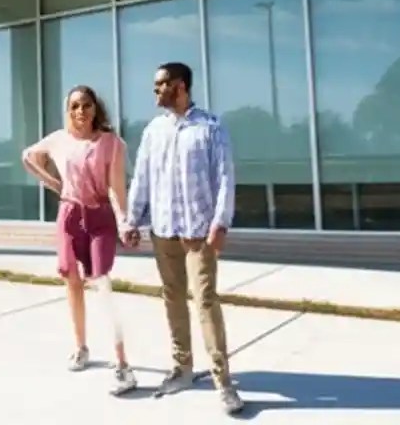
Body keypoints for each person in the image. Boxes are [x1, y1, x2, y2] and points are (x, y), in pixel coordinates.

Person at [121, 62, 245, 414]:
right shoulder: (153, 131)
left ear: (180, 86)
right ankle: (183, 368)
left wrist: (221, 222)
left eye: (161, 84)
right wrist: (132, 220)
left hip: (198, 232)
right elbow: (142, 178)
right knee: (172, 298)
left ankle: (224, 382)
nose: (155, 90)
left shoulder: (210, 127)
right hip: (162, 229)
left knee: (205, 300)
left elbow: (225, 177)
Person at [22, 85, 138, 396]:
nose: (80, 111)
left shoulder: (111, 143)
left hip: (100, 218)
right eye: (74, 106)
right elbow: (28, 156)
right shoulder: (59, 139)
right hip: (69, 215)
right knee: (71, 280)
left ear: (95, 108)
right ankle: (81, 346)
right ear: (68, 110)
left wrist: (124, 221)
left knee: (102, 283)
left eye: (86, 105)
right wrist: (54, 184)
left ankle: (123, 364)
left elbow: (115, 189)